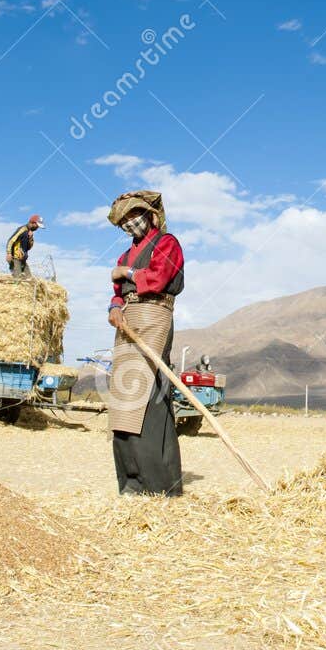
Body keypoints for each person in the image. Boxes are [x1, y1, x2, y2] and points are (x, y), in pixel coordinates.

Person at [105, 190, 185, 495]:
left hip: (154, 315)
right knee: (124, 396)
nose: (128, 223)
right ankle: (132, 481)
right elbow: (117, 291)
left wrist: (126, 273)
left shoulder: (167, 243)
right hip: (128, 317)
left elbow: (159, 277)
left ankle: (161, 485)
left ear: (149, 215)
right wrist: (114, 308)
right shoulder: (125, 254)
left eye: (132, 216)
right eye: (123, 220)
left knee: (150, 395)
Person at [6, 214, 43, 278]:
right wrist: (9, 253)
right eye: (37, 225)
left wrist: (30, 238)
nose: (38, 228)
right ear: (33, 223)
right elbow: (11, 240)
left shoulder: (30, 233)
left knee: (29, 279)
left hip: (23, 260)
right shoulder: (22, 229)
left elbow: (29, 247)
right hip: (15, 259)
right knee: (18, 278)